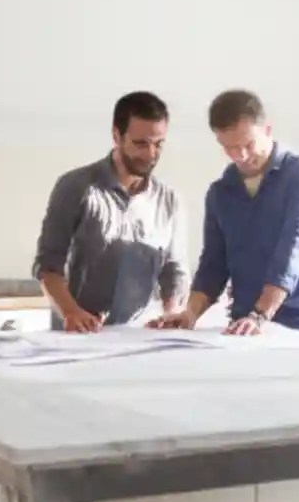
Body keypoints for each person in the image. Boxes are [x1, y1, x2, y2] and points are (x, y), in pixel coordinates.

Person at [151, 89, 299, 335]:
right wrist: (190, 313)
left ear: (268, 130)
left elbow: (295, 248)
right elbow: (213, 263)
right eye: (229, 148)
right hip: (245, 326)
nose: (240, 156)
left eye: (248, 144)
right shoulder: (221, 193)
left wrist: (261, 314)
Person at [32, 91, 188, 332]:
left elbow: (174, 272)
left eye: (158, 144)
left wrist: (172, 312)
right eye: (140, 144)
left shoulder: (169, 200)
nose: (150, 155)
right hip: (79, 337)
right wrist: (71, 313)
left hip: (141, 339)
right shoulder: (76, 188)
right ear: (116, 135)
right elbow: (47, 267)